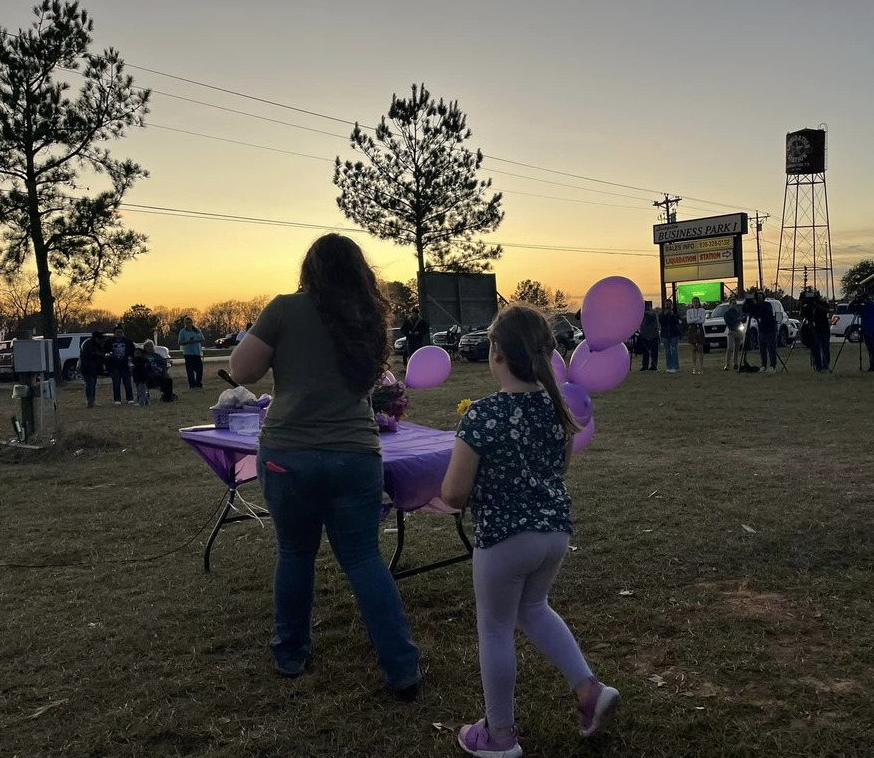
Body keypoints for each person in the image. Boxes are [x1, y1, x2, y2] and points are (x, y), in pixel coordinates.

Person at [227, 233, 422, 696]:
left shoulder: (284, 308)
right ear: (359, 272)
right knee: (363, 558)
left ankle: (291, 653)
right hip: (355, 455)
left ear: (310, 270)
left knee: (296, 554)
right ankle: (403, 668)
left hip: (288, 455)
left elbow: (240, 371)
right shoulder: (370, 318)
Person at [440, 303, 620, 758]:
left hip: (503, 539)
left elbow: (455, 493)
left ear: (495, 353)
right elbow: (559, 468)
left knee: (496, 628)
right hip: (553, 533)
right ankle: (589, 689)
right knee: (534, 608)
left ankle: (499, 735)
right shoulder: (556, 408)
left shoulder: (481, 416)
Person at [105, 325, 136, 404]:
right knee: (116, 383)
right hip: (114, 366)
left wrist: (132, 362)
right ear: (114, 333)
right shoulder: (109, 342)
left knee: (128, 383)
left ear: (123, 333)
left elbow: (133, 352)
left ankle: (130, 398)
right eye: (117, 332)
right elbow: (106, 353)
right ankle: (117, 400)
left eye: (121, 332)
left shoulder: (128, 342)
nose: (119, 333)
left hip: (126, 365)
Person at [753, 291, 780, 372]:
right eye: (758, 297)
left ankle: (772, 365)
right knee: (762, 349)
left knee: (771, 348)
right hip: (761, 330)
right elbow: (748, 310)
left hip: (770, 329)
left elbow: (767, 310)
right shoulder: (756, 306)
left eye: (760, 297)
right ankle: (763, 364)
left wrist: (757, 305)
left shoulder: (767, 304)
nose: (759, 299)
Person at [79, 331, 107, 408]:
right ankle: (90, 401)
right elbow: (91, 354)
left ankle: (92, 400)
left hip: (94, 367)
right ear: (97, 338)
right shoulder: (88, 344)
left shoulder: (96, 345)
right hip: (86, 367)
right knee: (90, 384)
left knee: (93, 384)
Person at [178, 316, 206, 389]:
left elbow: (202, 338)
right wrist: (187, 341)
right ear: (185, 324)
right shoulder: (183, 332)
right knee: (190, 371)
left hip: (197, 352)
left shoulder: (197, 330)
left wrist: (196, 340)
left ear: (192, 323)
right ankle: (192, 385)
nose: (188, 324)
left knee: (199, 369)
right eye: (187, 323)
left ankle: (198, 384)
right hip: (188, 353)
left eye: (189, 322)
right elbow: (180, 342)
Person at [658, 298, 682, 374]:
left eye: (669, 304)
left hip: (674, 334)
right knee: (667, 351)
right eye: (667, 304)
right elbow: (661, 321)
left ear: (671, 305)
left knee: (674, 350)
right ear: (665, 305)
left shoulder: (675, 314)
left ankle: (675, 366)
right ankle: (669, 366)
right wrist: (665, 315)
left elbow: (678, 322)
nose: (668, 306)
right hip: (665, 335)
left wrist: (672, 315)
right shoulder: (662, 314)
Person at [684, 296, 706, 374]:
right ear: (692, 303)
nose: (696, 303)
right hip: (692, 329)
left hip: (699, 328)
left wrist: (695, 320)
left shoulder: (702, 310)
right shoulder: (689, 311)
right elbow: (689, 321)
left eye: (697, 302)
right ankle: (694, 367)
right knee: (693, 348)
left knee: (700, 348)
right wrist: (697, 319)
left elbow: (703, 320)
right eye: (694, 302)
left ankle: (701, 367)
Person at [723, 295, 744, 370]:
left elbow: (742, 321)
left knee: (737, 349)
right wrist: (737, 319)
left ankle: (735, 363)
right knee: (730, 348)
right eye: (733, 303)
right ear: (730, 304)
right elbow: (729, 323)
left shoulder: (738, 312)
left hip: (738, 331)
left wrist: (743, 318)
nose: (734, 305)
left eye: (735, 303)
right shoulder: (727, 313)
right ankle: (727, 364)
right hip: (731, 331)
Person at [638, 303, 660, 371]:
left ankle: (654, 366)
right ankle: (645, 366)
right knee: (645, 352)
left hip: (653, 335)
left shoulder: (652, 314)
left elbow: (652, 317)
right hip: (645, 335)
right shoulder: (640, 315)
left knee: (654, 352)